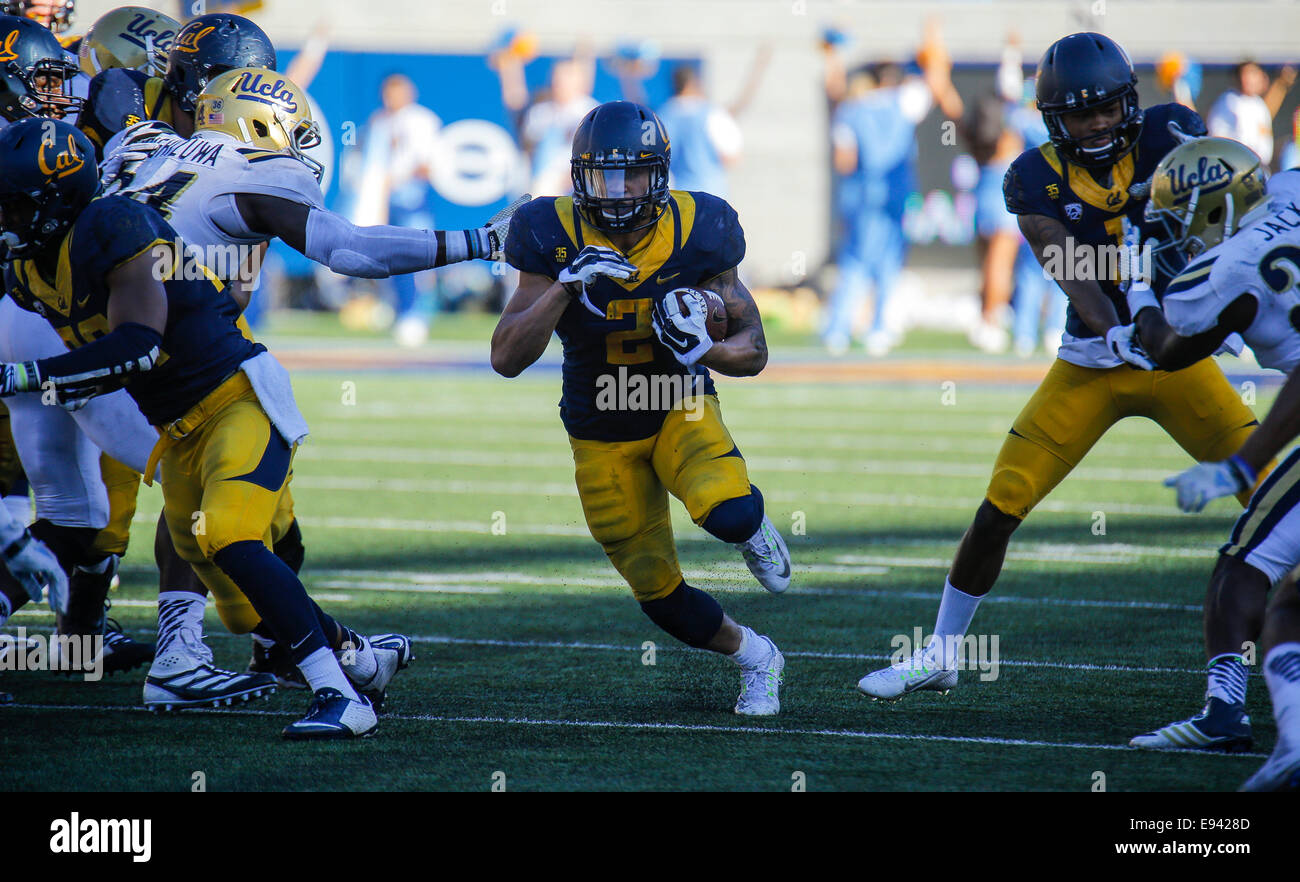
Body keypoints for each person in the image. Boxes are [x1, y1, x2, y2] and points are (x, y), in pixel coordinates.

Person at [854, 34, 1268, 719]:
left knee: (1272, 496)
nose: (1098, 123)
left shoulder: (1172, 135)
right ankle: (942, 655)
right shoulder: (1033, 177)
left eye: (1108, 108)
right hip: (1094, 363)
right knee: (998, 510)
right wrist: (1115, 328)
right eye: (1081, 115)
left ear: (1129, 103)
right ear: (1053, 121)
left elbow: (1226, 212)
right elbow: (1065, 262)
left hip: (1178, 363)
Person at [0, 117, 399, 738]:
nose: (8, 217)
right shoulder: (27, 270)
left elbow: (134, 349)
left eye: (17, 204)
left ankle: (343, 697)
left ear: (53, 201)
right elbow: (92, 370)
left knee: (233, 538)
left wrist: (19, 376)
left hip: (238, 399)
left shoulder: (115, 225)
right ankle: (361, 658)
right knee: (242, 608)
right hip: (177, 429)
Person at [493, 101, 790, 715]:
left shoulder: (701, 227)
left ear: (660, 174)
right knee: (658, 594)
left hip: (676, 406)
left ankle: (754, 528)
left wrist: (706, 347)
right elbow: (506, 356)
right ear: (580, 177)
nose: (620, 189)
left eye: (634, 173)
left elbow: (754, 349)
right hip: (598, 429)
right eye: (605, 174)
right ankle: (757, 656)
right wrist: (564, 287)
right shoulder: (547, 232)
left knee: (728, 513)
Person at [1110, 138, 1295, 768]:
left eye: (1178, 217)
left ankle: (1225, 716)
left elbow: (1168, 349)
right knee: (1290, 597)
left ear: (1213, 210)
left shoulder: (1225, 270)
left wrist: (1137, 289)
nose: (1172, 232)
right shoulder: (1292, 186)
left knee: (1244, 566)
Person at [353, 73, 445, 346]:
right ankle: (398, 308)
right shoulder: (377, 122)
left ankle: (418, 315)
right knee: (387, 256)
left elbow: (427, 164)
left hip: (409, 198)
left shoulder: (422, 121)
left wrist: (396, 178)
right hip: (382, 201)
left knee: (418, 257)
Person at [1207, 60, 1296, 169]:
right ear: (1237, 78)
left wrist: (1280, 85)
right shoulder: (1230, 101)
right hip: (1238, 167)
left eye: (1253, 74)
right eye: (1246, 74)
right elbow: (1216, 137)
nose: (1248, 79)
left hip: (1257, 167)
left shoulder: (1257, 103)